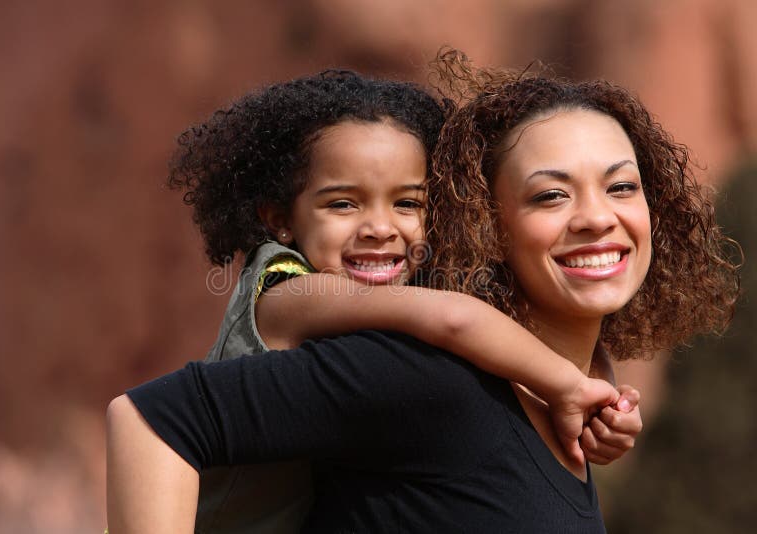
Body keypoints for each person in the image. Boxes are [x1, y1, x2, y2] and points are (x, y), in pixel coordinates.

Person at [105, 55, 740, 532]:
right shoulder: (410, 367)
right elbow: (155, 419)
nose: (597, 216)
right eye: (550, 194)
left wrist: (590, 386)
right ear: (483, 224)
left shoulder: (530, 405)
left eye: (621, 187)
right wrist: (571, 385)